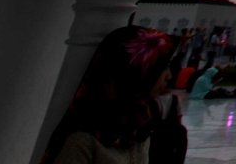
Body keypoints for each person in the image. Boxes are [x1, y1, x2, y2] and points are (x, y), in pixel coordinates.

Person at [40, 25, 178, 164]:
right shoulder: (83, 140)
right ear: (135, 71)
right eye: (162, 67)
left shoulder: (138, 127)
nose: (169, 76)